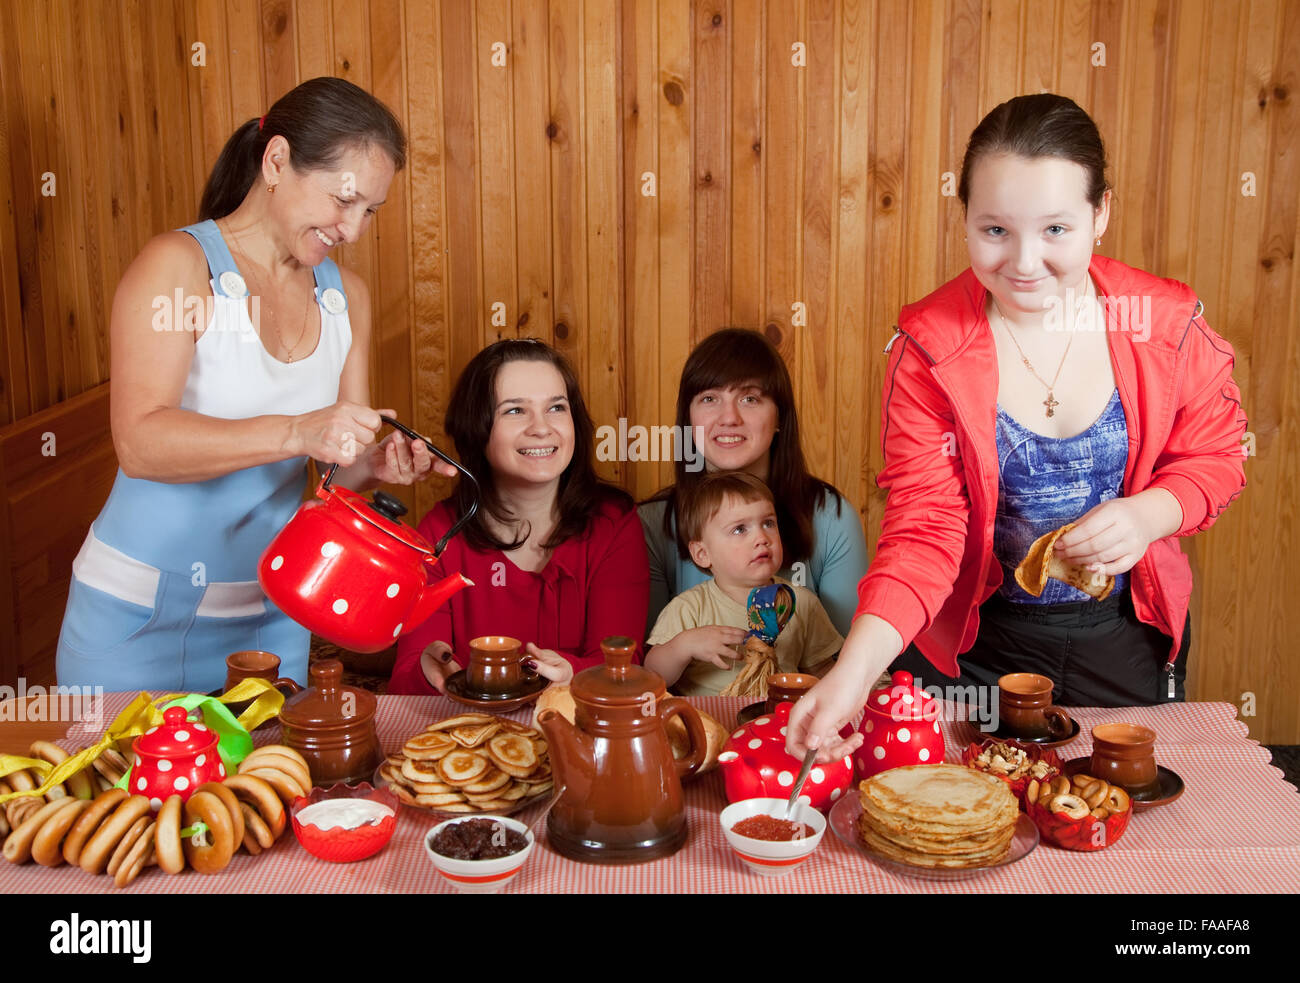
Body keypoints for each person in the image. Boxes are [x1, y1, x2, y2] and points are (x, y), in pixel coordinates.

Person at [788, 93, 1248, 761]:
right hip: (971, 647)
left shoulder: (1166, 323)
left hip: (1121, 638)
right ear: (965, 218)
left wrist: (1152, 512)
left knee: (1104, 823)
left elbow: (1217, 456)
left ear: (1101, 215)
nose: (1025, 262)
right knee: (949, 822)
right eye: (995, 230)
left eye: (1056, 230)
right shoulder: (928, 347)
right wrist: (852, 675)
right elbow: (925, 528)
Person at [56, 77, 446, 695]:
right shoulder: (180, 267)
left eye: (369, 210)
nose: (353, 229)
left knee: (265, 795)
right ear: (276, 161)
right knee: (125, 796)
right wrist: (298, 430)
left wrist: (367, 465)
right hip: (134, 621)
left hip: (271, 622)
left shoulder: (347, 300)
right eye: (342, 200)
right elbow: (141, 442)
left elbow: (320, 486)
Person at [389, 339, 650, 695]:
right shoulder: (439, 533)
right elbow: (408, 675)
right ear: (476, 428)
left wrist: (571, 673)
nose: (541, 428)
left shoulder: (613, 524)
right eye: (515, 411)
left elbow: (622, 664)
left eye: (556, 408)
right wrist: (426, 667)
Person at [639, 328, 868, 651]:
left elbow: (850, 658)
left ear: (779, 418)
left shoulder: (832, 516)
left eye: (750, 398)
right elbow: (647, 662)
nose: (729, 417)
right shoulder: (652, 523)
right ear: (688, 419)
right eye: (709, 398)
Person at [645, 472, 841, 696]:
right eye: (739, 529)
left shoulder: (801, 603)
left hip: (778, 718)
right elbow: (652, 674)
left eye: (768, 523)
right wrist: (683, 647)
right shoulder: (689, 608)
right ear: (702, 554)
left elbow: (822, 670)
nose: (761, 538)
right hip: (710, 723)